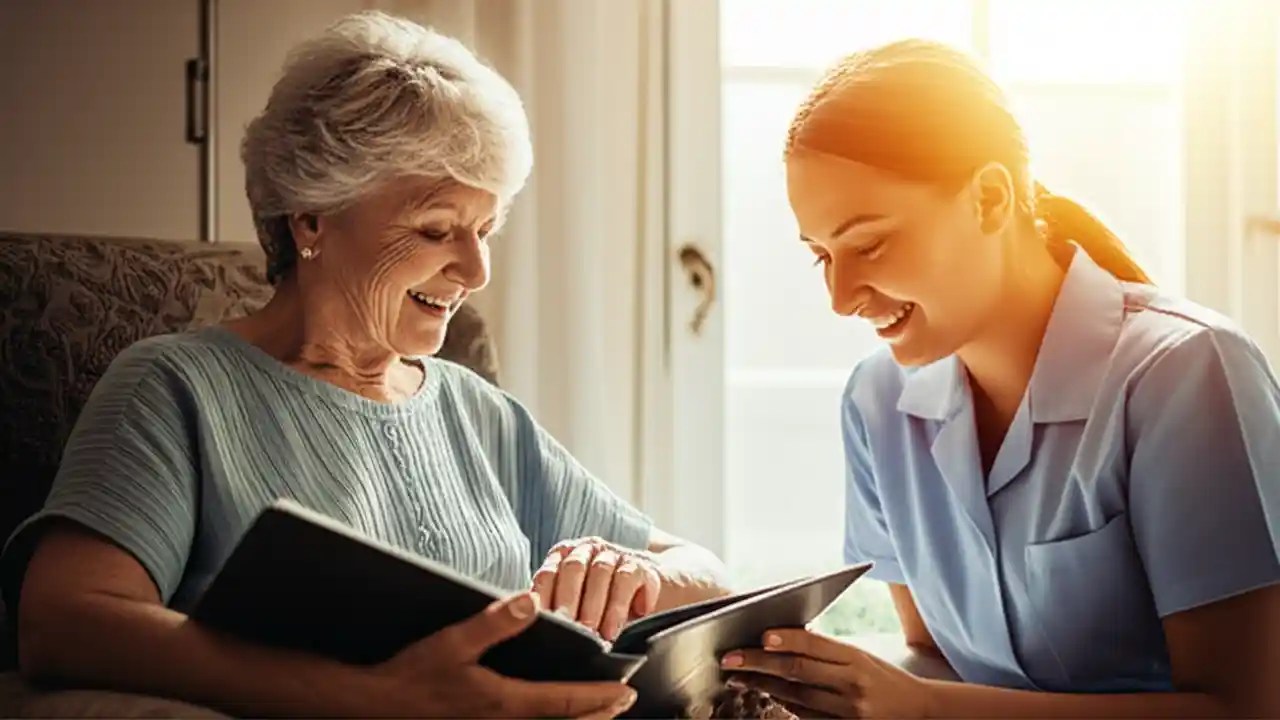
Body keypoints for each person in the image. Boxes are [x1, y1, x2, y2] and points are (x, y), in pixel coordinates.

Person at [0, 11, 728, 718]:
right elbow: (65, 622)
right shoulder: (174, 387)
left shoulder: (474, 411)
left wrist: (636, 571)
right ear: (311, 217)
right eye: (437, 228)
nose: (475, 271)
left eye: (487, 229)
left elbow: (705, 574)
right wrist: (373, 701)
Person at [721, 39, 1280, 718]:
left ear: (990, 197)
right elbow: (937, 659)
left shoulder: (1184, 375)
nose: (841, 298)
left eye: (869, 244)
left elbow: (1246, 708)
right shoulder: (878, 404)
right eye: (821, 257)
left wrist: (925, 710)